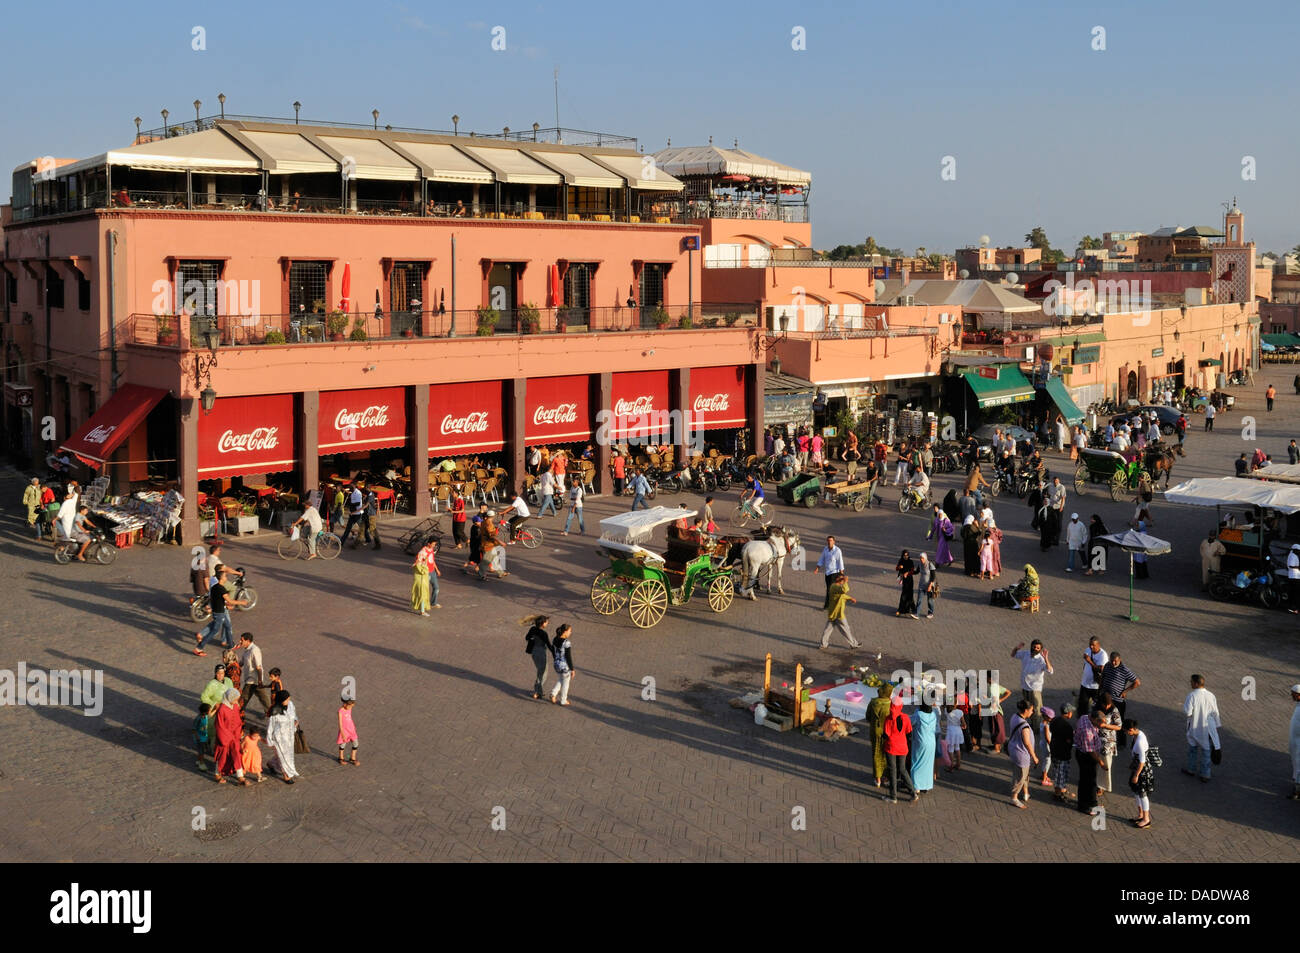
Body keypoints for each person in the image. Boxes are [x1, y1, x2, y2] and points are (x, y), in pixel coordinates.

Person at [193, 566, 248, 656]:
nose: (226, 578)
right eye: (225, 576)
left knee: (228, 625)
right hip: (219, 613)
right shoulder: (221, 589)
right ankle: (199, 648)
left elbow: (217, 599)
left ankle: (231, 645)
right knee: (214, 631)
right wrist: (241, 602)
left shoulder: (215, 587)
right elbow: (229, 601)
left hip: (218, 611)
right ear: (221, 578)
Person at [1182, 674, 1221, 782]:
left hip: (1195, 726)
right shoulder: (1211, 695)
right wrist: (1216, 727)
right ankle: (1206, 774)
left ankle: (1191, 769)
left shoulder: (1192, 695)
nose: (1190, 683)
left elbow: (1188, 712)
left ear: (1196, 683)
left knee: (1192, 749)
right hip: (1208, 728)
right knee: (1206, 750)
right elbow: (1215, 712)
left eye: (1191, 682)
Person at [1011, 638, 1053, 733]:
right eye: (1034, 647)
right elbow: (1013, 654)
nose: (1035, 649)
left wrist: (1046, 658)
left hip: (1035, 688)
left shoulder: (1041, 660)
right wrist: (1017, 648)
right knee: (1028, 707)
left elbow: (1050, 671)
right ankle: (1033, 724)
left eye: (1038, 648)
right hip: (1025, 686)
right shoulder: (1025, 654)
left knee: (1037, 708)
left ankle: (1037, 728)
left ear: (1040, 649)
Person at [882, 697, 919, 803]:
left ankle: (893, 796)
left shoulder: (888, 719)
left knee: (892, 771)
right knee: (903, 770)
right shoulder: (906, 717)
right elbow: (909, 733)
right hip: (903, 748)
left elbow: (885, 735)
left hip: (891, 748)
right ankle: (913, 792)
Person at [212, 688, 247, 785]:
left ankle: (240, 776)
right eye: (235, 699)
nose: (236, 701)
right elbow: (219, 725)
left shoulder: (235, 706)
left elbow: (238, 721)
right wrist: (226, 737)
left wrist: (238, 732)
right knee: (222, 756)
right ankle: (217, 773)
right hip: (224, 737)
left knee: (236, 754)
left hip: (234, 736)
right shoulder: (222, 709)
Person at [1007, 700, 1039, 808]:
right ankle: (1014, 798)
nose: (1032, 712)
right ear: (1026, 710)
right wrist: (1034, 756)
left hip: (1014, 749)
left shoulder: (1014, 717)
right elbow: (1027, 742)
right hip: (1021, 754)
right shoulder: (1024, 726)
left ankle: (1026, 793)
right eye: (1031, 710)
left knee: (1025, 775)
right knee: (1020, 777)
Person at [1073, 709, 1105, 815]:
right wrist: (1101, 762)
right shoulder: (1087, 732)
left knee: (1092, 781)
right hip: (1086, 756)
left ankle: (1093, 802)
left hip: (1087, 753)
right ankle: (1083, 806)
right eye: (1100, 722)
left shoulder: (1085, 717)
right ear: (1094, 719)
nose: (1102, 725)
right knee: (1085, 782)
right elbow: (1090, 751)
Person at [265, 689, 300, 783]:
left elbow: (294, 715)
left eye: (289, 699)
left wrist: (295, 722)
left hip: (289, 735)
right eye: (287, 700)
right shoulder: (274, 711)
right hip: (279, 737)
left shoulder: (291, 705)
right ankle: (286, 775)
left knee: (287, 754)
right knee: (282, 756)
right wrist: (269, 740)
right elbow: (270, 727)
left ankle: (271, 764)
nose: (288, 701)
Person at [819, 573, 861, 649]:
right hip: (838, 614)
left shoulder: (835, 587)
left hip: (833, 613)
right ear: (837, 579)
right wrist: (846, 581)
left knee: (828, 630)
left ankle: (823, 644)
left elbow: (842, 595)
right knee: (846, 629)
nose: (842, 581)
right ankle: (854, 644)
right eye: (841, 579)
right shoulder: (834, 587)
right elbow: (844, 590)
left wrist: (850, 598)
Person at [235, 633, 271, 717]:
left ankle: (237, 715)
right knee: (264, 698)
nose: (240, 642)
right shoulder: (246, 651)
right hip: (251, 679)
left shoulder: (254, 650)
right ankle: (270, 712)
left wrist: (259, 681)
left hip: (253, 680)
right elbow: (241, 663)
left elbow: (258, 667)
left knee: (243, 699)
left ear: (248, 641)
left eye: (242, 640)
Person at [1094, 692, 1122, 797]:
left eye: (1108, 704)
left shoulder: (1114, 710)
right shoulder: (1096, 708)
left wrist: (1105, 725)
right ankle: (1096, 781)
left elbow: (1119, 726)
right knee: (1096, 762)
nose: (1106, 706)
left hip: (1108, 742)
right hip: (1095, 740)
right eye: (1104, 704)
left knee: (1105, 763)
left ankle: (1102, 786)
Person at [1049, 704, 1076, 802]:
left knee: (1056, 772)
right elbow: (1070, 741)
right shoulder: (1067, 726)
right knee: (1061, 774)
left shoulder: (1054, 720)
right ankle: (1058, 794)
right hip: (1063, 753)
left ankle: (1059, 791)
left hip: (1054, 749)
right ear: (1068, 713)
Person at [867, 685, 893, 787]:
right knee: (886, 755)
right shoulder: (890, 704)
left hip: (874, 732)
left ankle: (877, 779)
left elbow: (868, 716)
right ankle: (886, 778)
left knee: (876, 753)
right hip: (887, 733)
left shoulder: (873, 702)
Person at [911, 699, 938, 794]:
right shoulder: (933, 715)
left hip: (920, 742)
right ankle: (926, 786)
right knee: (928, 765)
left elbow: (911, 722)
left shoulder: (918, 714)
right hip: (931, 742)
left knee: (916, 763)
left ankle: (916, 786)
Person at [813, 536, 845, 608]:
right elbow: (822, 559)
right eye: (828, 541)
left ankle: (827, 606)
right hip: (827, 573)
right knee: (830, 588)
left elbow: (840, 562)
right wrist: (817, 568)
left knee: (829, 590)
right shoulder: (825, 549)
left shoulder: (837, 551)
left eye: (831, 541)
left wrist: (842, 574)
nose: (829, 542)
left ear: (834, 542)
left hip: (835, 573)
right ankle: (837, 601)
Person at [525, 616, 552, 699]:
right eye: (546, 622)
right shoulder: (543, 634)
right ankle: (537, 692)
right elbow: (549, 645)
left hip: (533, 652)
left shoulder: (532, 629)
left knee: (541, 671)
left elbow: (527, 638)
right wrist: (556, 655)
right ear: (543, 624)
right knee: (543, 672)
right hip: (541, 653)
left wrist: (533, 638)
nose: (547, 623)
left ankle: (538, 691)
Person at [1078, 636, 1107, 714]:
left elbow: (1101, 669)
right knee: (1082, 707)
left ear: (1098, 645)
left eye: (1093, 645)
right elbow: (1085, 665)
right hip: (1085, 684)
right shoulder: (1088, 650)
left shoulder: (1103, 655)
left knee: (1096, 708)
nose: (1091, 647)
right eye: (1090, 644)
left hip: (1095, 687)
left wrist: (1089, 661)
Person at [549, 623, 575, 706]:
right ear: (565, 631)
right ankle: (563, 700)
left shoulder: (555, 639)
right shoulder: (566, 642)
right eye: (570, 631)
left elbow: (553, 651)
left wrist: (556, 660)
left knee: (561, 679)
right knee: (566, 683)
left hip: (556, 664)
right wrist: (572, 669)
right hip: (564, 666)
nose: (570, 633)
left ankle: (553, 694)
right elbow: (568, 657)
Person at [943, 703, 967, 772]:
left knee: (950, 749)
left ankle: (951, 766)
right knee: (957, 747)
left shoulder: (946, 711)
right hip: (958, 730)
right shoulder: (960, 712)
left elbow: (944, 706)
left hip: (950, 731)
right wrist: (964, 726)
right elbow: (964, 724)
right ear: (956, 704)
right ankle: (958, 764)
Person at [895, 550, 917, 619]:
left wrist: (907, 573)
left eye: (907, 555)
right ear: (902, 555)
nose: (906, 556)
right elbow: (896, 568)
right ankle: (900, 609)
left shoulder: (910, 561)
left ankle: (912, 608)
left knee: (910, 594)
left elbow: (912, 570)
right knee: (904, 594)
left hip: (910, 580)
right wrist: (899, 567)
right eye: (904, 555)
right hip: (904, 580)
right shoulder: (901, 561)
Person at [337, 698, 359, 766]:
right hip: (344, 731)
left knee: (356, 743)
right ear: (345, 704)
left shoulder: (350, 708)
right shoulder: (340, 711)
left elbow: (350, 718)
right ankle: (341, 758)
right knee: (343, 744)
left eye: (351, 706)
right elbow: (340, 724)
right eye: (350, 706)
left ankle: (352, 758)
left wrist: (353, 727)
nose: (350, 708)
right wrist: (343, 734)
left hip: (351, 730)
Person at [194, 703, 214, 770]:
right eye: (210, 710)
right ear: (206, 711)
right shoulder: (198, 719)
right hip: (200, 738)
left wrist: (216, 709)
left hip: (204, 737)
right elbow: (194, 729)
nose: (210, 711)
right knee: (201, 751)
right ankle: (201, 764)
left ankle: (199, 761)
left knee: (202, 750)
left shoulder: (205, 716)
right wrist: (197, 737)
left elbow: (211, 715)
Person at [917, 553, 936, 619]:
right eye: (920, 558)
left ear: (925, 558)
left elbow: (933, 576)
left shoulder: (930, 564)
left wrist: (930, 585)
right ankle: (917, 614)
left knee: (930, 600)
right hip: (921, 585)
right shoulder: (919, 564)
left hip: (929, 586)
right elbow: (916, 571)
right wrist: (908, 573)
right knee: (919, 600)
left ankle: (930, 612)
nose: (921, 560)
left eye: (922, 558)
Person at [1289, 683, 1300, 800]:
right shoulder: (1298, 705)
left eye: (1293, 694)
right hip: (1295, 743)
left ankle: (1297, 791)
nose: (1292, 696)